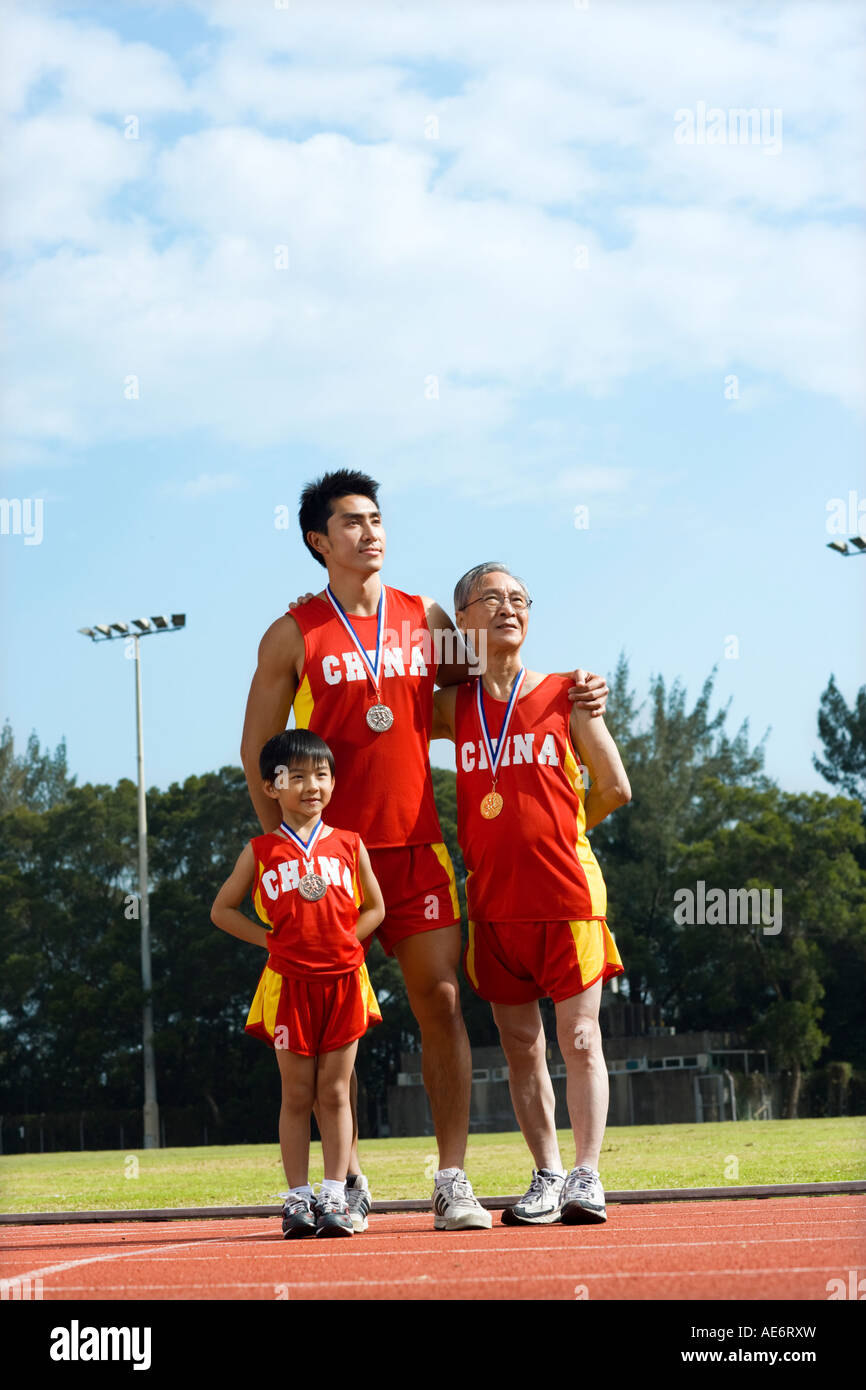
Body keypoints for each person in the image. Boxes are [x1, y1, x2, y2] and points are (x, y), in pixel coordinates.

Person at [241, 468, 610, 1232]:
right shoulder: (291, 634)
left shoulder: (427, 617)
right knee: (330, 1023)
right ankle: (342, 1179)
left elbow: (501, 684)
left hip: (417, 849)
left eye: (376, 519)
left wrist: (582, 701)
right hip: (331, 864)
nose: (369, 532)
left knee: (441, 1002)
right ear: (319, 540)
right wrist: (286, 857)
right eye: (350, 522)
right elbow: (258, 754)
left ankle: (451, 1179)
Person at [432, 562, 631, 1226]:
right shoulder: (451, 706)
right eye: (490, 599)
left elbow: (614, 785)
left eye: (519, 599)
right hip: (492, 904)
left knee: (578, 1038)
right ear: (464, 618)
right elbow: (406, 656)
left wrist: (565, 829)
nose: (508, 608)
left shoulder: (566, 692)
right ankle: (547, 1173)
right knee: (521, 1046)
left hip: (568, 894)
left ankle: (588, 1175)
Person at [211, 728, 385, 1239]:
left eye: (323, 774)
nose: (313, 785)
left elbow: (376, 907)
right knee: (295, 1094)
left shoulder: (351, 845)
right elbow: (222, 910)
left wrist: (348, 940)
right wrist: (270, 942)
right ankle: (296, 1199)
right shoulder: (262, 850)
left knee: (334, 1093)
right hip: (288, 986)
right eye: (298, 776)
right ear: (272, 787)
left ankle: (334, 1193)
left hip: (344, 981)